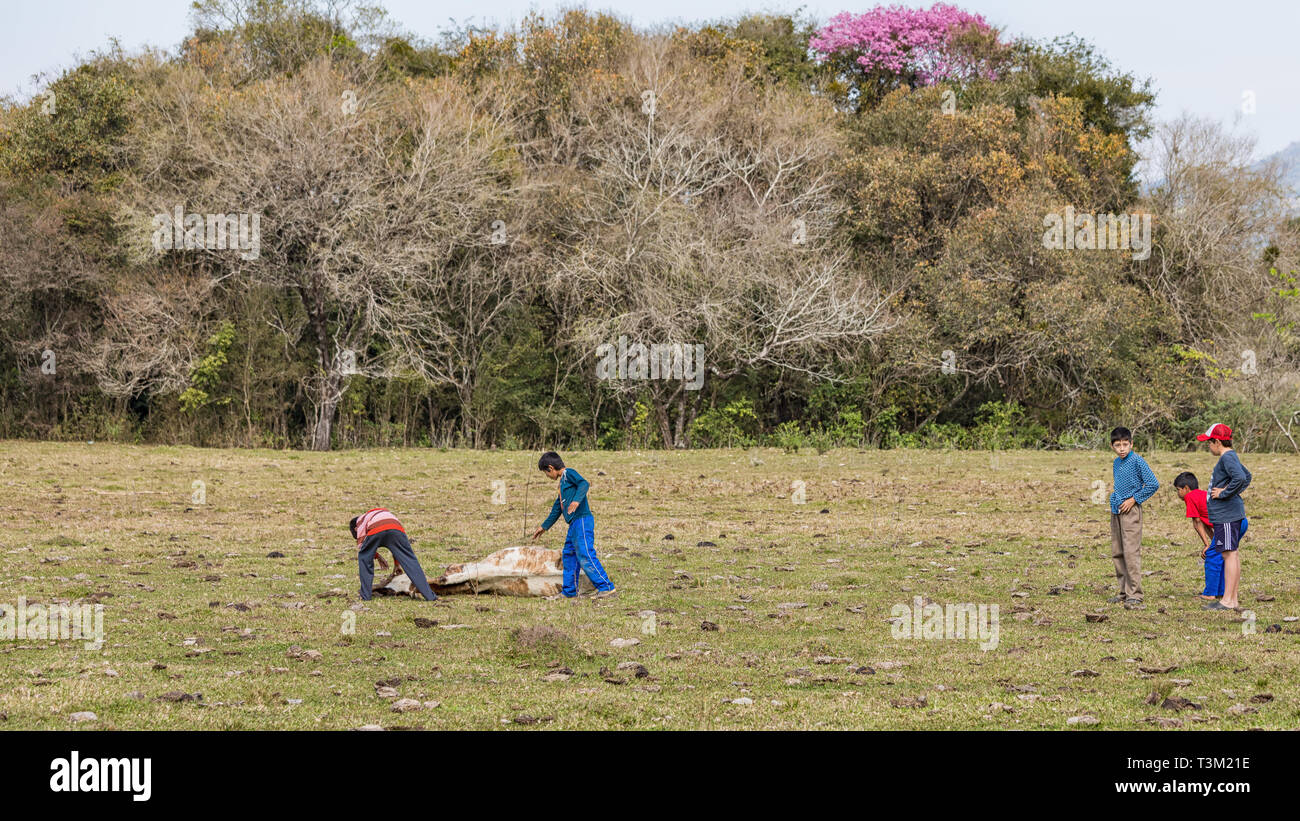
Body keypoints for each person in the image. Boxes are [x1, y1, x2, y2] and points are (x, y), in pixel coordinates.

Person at [530, 451, 616, 599]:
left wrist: (576, 501)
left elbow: (584, 483)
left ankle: (606, 587)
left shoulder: (568, 473)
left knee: (584, 553)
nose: (547, 476)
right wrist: (544, 527)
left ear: (550, 468)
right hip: (573, 524)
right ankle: (570, 591)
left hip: (582, 520)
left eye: (545, 473)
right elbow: (557, 508)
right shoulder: (562, 485)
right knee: (569, 555)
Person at [1197, 424, 1252, 612]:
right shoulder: (1230, 456)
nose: (1208, 446)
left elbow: (1240, 478)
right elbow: (1246, 475)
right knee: (1232, 554)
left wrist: (1224, 493)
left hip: (1227, 515)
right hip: (1229, 514)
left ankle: (1228, 600)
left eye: (1209, 442)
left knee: (1228, 555)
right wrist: (1232, 492)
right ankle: (1232, 599)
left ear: (1217, 442)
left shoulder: (1227, 457)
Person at [1107, 426, 1160, 609]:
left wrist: (1134, 499)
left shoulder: (1137, 461)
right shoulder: (1116, 463)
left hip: (1131, 511)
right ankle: (1124, 592)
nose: (1121, 448)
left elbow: (1153, 484)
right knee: (1118, 551)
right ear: (1112, 446)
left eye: (1125, 444)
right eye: (1117, 445)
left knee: (1131, 552)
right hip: (1116, 510)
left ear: (1131, 444)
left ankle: (1135, 594)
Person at [350, 508, 438, 602]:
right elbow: (396, 548)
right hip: (396, 528)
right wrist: (396, 564)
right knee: (410, 561)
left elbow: (363, 546)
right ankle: (430, 596)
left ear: (355, 529)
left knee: (364, 558)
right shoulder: (378, 513)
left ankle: (365, 596)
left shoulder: (360, 521)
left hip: (375, 530)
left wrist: (375, 556)